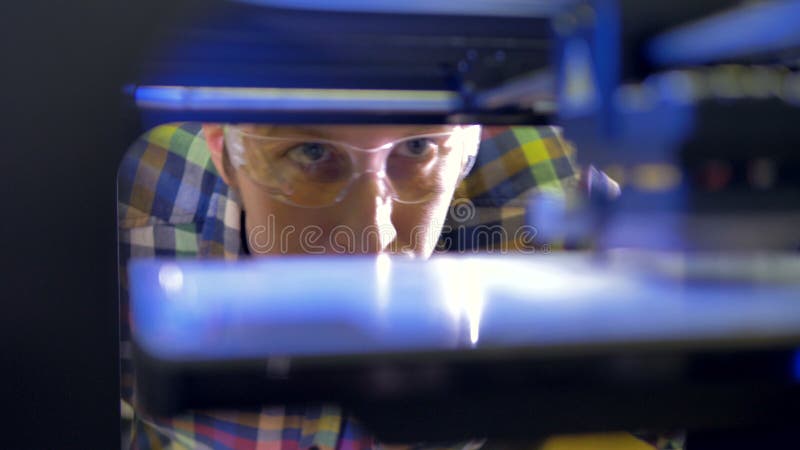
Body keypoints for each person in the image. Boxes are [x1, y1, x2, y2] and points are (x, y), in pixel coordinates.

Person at [118, 122, 682, 449]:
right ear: (223, 148)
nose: (372, 237)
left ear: (471, 142)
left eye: (416, 148)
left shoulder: (552, 202)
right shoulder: (138, 203)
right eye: (311, 153)